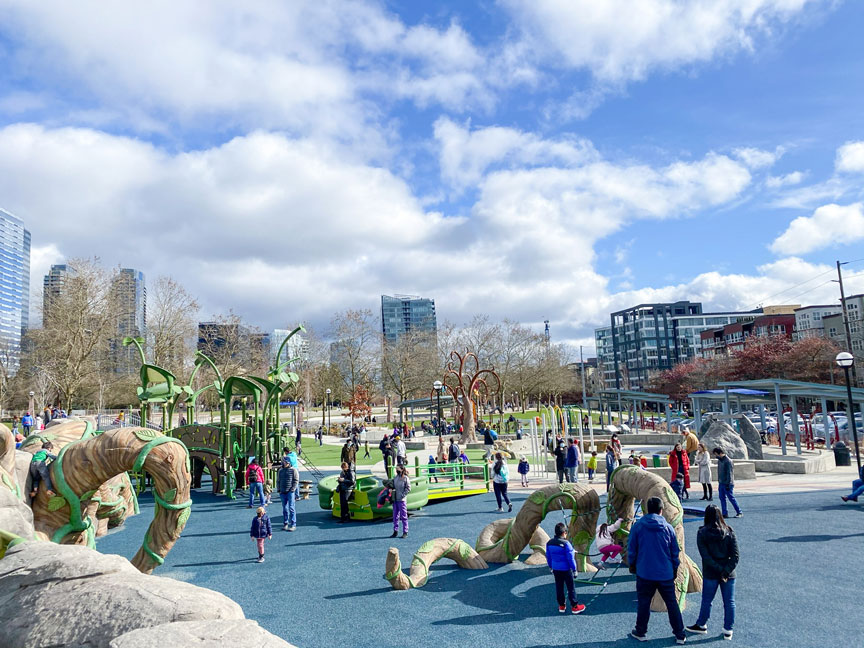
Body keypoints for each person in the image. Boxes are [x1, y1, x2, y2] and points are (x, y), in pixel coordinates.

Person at [628, 496, 686, 644]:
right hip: (665, 572)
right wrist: (674, 568)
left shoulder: (638, 526)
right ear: (661, 510)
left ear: (647, 509)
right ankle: (680, 634)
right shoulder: (668, 528)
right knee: (672, 603)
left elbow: (632, 549)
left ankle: (641, 631)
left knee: (644, 603)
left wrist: (632, 564)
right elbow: (675, 551)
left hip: (645, 572)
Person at [687, 504, 738, 640]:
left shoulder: (702, 533)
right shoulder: (729, 532)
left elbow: (706, 556)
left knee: (707, 600)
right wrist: (725, 571)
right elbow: (735, 556)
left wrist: (719, 569)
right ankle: (728, 629)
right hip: (728, 573)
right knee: (729, 602)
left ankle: (702, 624)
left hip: (711, 572)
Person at [545, 522, 586, 615]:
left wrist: (551, 566)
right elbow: (570, 558)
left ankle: (561, 606)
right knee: (570, 588)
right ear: (564, 533)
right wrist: (574, 569)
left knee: (559, 587)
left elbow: (548, 556)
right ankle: (575, 607)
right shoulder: (566, 543)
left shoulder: (549, 543)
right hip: (566, 569)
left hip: (556, 569)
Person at [713, 448, 742, 518]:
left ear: (720, 453)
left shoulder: (728, 461)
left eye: (716, 454)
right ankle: (724, 513)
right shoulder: (720, 461)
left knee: (731, 498)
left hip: (727, 483)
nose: (715, 456)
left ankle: (739, 511)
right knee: (722, 498)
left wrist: (728, 483)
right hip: (721, 482)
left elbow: (730, 473)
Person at [277, 454, 299, 531]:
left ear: (288, 463)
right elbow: (278, 481)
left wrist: (293, 489)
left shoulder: (293, 470)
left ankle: (293, 524)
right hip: (283, 491)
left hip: (290, 491)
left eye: (285, 462)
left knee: (291, 508)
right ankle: (285, 523)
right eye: (283, 462)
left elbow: (296, 480)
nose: (283, 463)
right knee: (284, 508)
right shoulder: (280, 470)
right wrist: (279, 489)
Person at [390, 464, 411, 538]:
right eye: (396, 469)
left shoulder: (405, 478)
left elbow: (408, 488)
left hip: (401, 500)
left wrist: (402, 495)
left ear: (401, 469)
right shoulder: (395, 478)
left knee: (403, 516)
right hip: (395, 500)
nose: (396, 470)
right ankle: (395, 531)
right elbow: (392, 486)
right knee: (395, 516)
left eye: (398, 469)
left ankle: (405, 531)